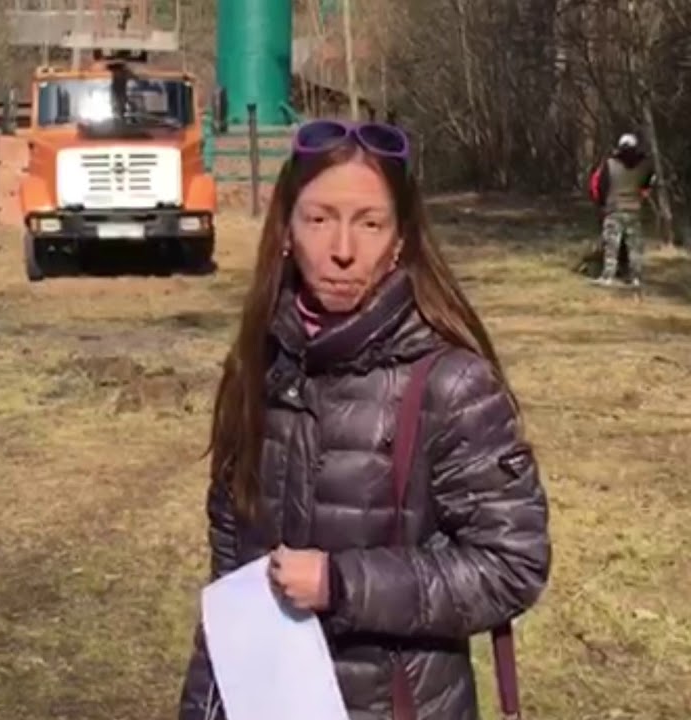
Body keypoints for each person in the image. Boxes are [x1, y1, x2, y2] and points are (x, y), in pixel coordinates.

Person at [177, 119, 551, 720]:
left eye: (370, 223)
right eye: (319, 218)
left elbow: (512, 566)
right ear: (286, 230)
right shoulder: (258, 362)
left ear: (401, 239)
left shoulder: (451, 384)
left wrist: (343, 585)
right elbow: (230, 564)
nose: (343, 249)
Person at [587, 132, 655, 287]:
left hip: (614, 208)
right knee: (634, 246)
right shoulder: (644, 166)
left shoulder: (610, 164)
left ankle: (608, 277)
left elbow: (601, 186)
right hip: (634, 209)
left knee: (611, 245)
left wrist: (602, 205)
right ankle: (635, 277)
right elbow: (647, 185)